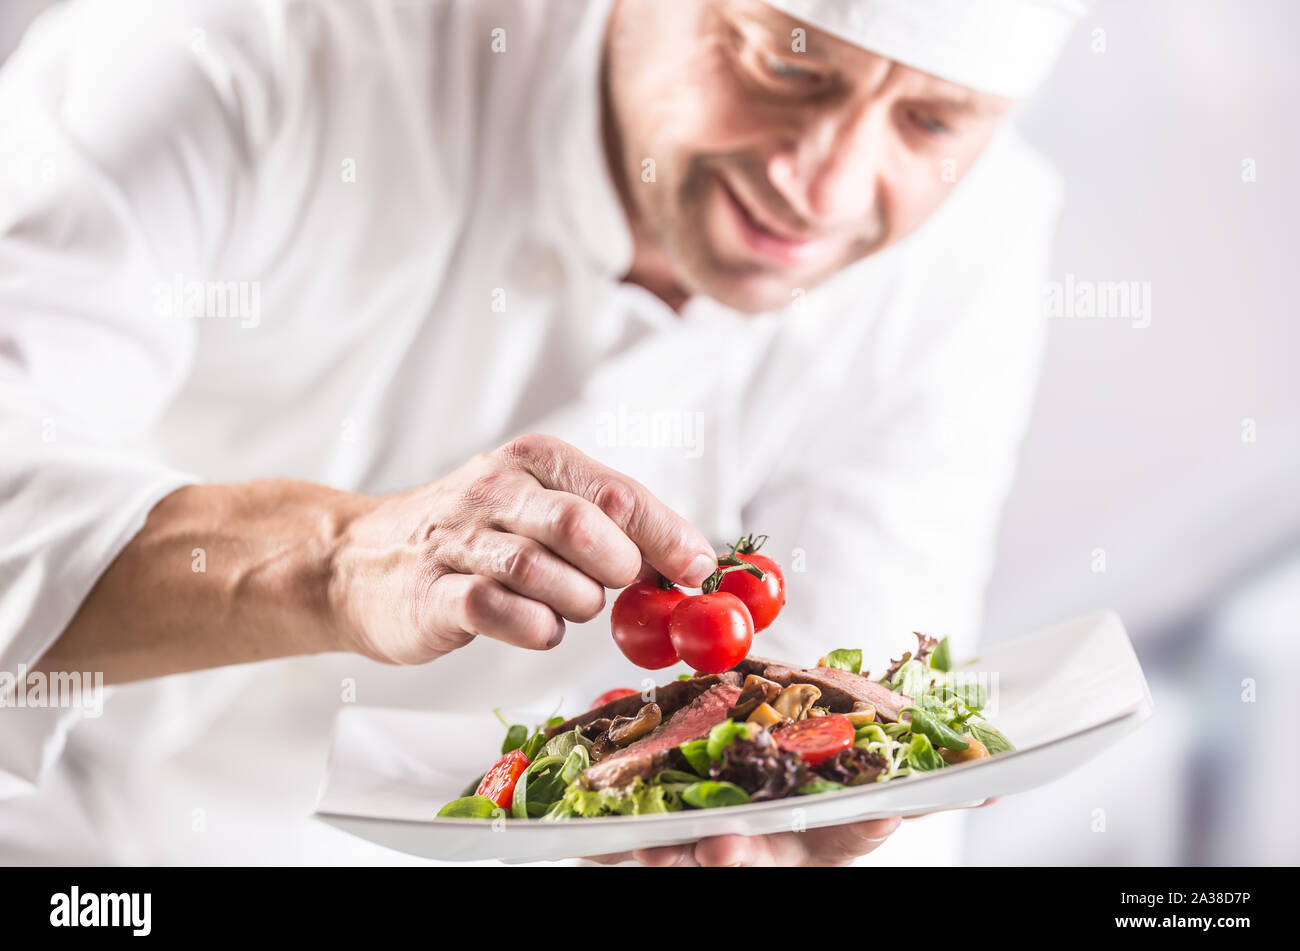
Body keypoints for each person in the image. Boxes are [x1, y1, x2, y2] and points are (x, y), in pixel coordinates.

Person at [0, 0, 1083, 866]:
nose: (826, 187)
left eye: (931, 121)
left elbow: (889, 764)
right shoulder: (252, 39)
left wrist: (772, 842)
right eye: (782, 69)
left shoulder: (966, 258)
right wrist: (336, 562)